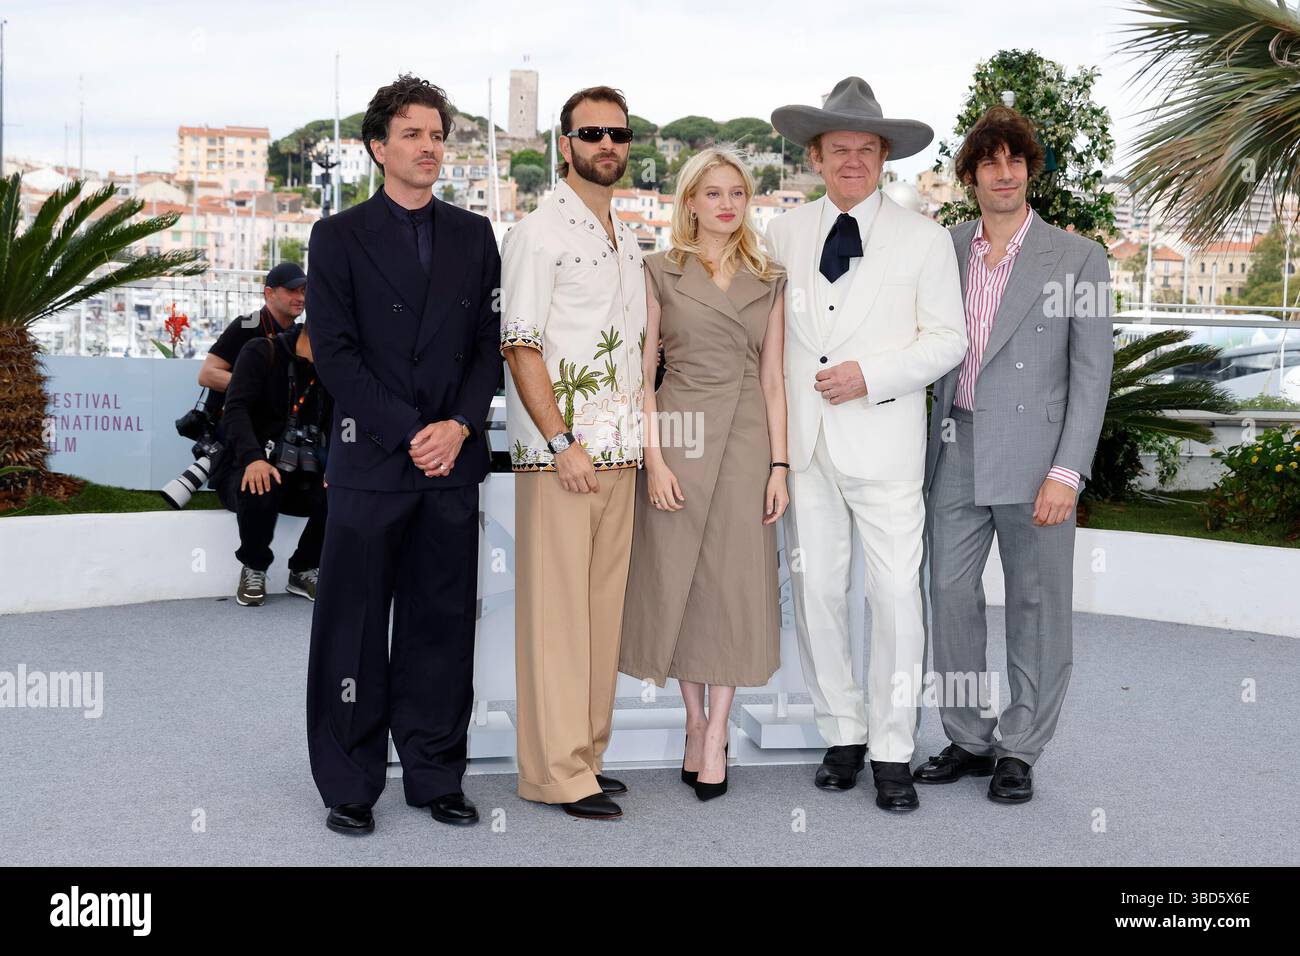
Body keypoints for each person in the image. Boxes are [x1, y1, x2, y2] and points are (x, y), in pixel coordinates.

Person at [304, 74, 503, 835]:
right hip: (372, 462)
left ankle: (433, 772)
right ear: (379, 147)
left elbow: (488, 345)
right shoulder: (337, 237)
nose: (428, 147)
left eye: (437, 134)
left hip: (450, 461)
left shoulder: (474, 234)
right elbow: (337, 356)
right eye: (413, 134)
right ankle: (350, 782)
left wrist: (455, 425)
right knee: (352, 627)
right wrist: (411, 431)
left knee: (442, 624)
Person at [765, 77, 967, 812]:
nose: (853, 159)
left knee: (892, 599)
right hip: (806, 447)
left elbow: (949, 339)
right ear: (816, 157)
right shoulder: (781, 232)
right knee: (817, 594)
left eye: (867, 149)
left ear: (884, 158)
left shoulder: (925, 239)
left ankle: (891, 748)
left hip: (884, 448)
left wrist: (872, 375)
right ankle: (842, 730)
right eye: (838, 148)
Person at [915, 106, 1113, 804]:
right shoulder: (941, 247)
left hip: (1038, 459)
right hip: (955, 446)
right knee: (949, 598)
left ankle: (1021, 748)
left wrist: (1069, 470)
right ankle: (969, 738)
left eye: (1017, 161)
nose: (1005, 173)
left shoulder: (1078, 257)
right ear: (969, 175)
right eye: (990, 162)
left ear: (1030, 171)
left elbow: (1093, 374)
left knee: (1036, 604)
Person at [618, 146, 788, 802]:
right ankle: (691, 721)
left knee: (733, 590)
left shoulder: (769, 276)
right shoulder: (658, 270)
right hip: (680, 437)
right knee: (681, 584)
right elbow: (643, 374)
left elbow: (773, 378)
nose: (725, 204)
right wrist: (652, 458)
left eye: (736, 194)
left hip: (747, 440)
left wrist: (780, 465)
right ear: (689, 201)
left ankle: (717, 731)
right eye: (712, 193)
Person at [500, 85, 646, 821]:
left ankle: (586, 757)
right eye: (591, 133)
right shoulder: (538, 233)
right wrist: (561, 443)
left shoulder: (625, 235)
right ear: (565, 144)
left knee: (598, 619)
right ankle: (555, 772)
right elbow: (519, 343)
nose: (607, 145)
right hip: (560, 458)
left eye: (618, 133)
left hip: (621, 455)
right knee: (557, 619)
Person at [211, 319, 329, 606]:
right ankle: (254, 566)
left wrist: (338, 468)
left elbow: (338, 425)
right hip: (246, 467)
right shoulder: (262, 351)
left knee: (345, 489)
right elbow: (235, 410)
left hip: (302, 473)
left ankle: (303, 568)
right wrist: (253, 458)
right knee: (261, 481)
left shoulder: (331, 371)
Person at [198, 262, 306, 419]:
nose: (301, 298)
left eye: (303, 291)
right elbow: (207, 375)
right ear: (269, 293)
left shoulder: (297, 334)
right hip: (233, 429)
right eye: (291, 291)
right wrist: (262, 389)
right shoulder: (247, 325)